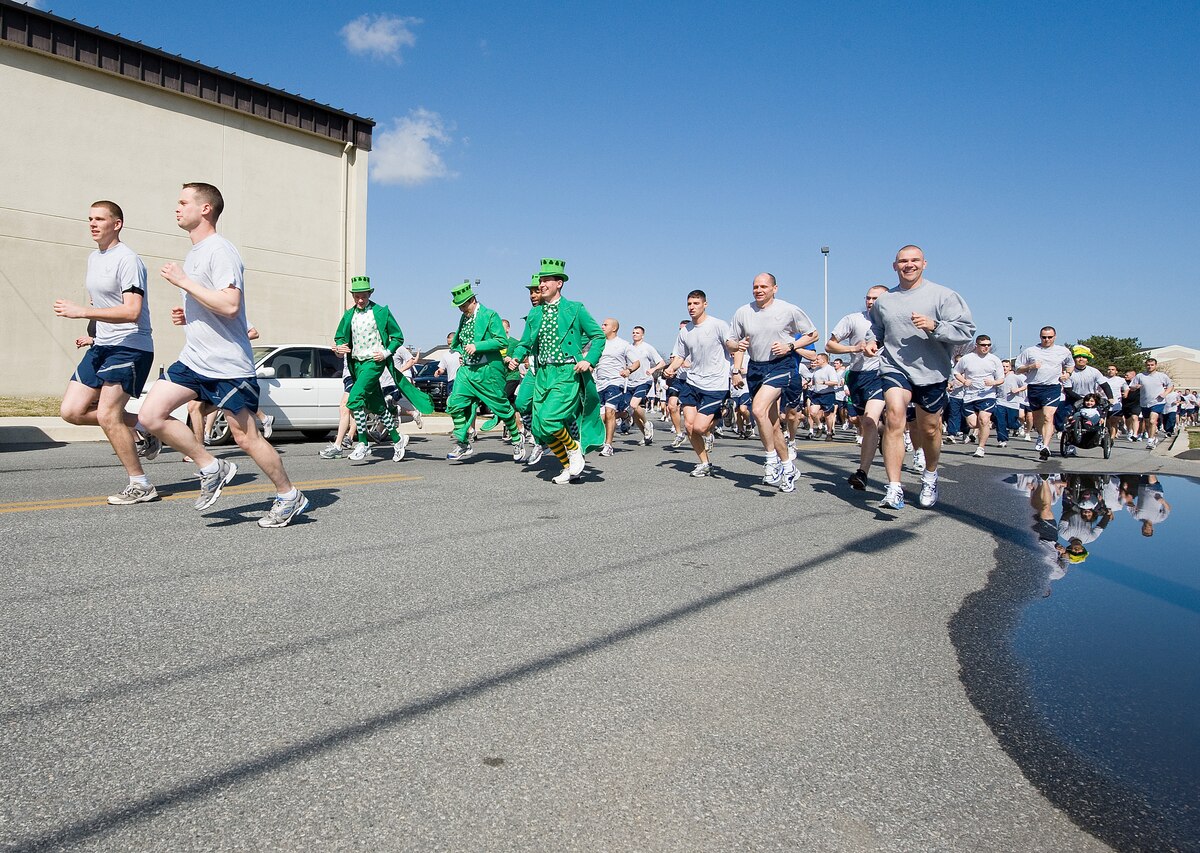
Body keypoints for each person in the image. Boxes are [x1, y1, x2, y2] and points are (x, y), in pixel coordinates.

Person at [138, 182, 307, 527]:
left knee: (246, 438)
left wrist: (184, 282)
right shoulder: (195, 253)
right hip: (194, 360)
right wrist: (190, 314)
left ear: (205, 209)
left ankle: (289, 495)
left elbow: (230, 305)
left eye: (183, 202)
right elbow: (213, 304)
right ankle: (211, 466)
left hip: (227, 365)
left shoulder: (220, 250)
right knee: (151, 416)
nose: (176, 208)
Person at [54, 200, 158, 504]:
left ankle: (140, 484)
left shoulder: (128, 260)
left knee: (107, 414)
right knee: (72, 411)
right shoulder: (94, 258)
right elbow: (101, 306)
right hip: (103, 344)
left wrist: (80, 311)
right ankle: (145, 426)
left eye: (100, 219)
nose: (93, 224)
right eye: (90, 219)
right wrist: (92, 335)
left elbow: (132, 311)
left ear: (117, 224)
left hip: (130, 344)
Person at [865, 245, 976, 509]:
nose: (909, 265)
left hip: (932, 371)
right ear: (895, 266)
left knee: (929, 429)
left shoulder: (944, 296)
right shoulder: (884, 301)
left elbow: (966, 331)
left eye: (914, 260)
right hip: (894, 366)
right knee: (894, 417)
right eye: (903, 261)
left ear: (924, 264)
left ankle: (930, 475)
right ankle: (894, 488)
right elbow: (877, 329)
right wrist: (872, 341)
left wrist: (935, 326)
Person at [507, 258, 606, 484]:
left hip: (566, 372)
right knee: (540, 427)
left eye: (546, 280)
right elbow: (525, 342)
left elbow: (598, 336)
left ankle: (574, 448)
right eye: (540, 281)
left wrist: (589, 360)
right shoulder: (535, 314)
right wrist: (516, 356)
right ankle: (568, 467)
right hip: (543, 373)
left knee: (550, 418)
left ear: (559, 283)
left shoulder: (575, 308)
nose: (541, 284)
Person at [726, 272, 819, 493]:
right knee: (772, 424)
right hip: (756, 368)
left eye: (763, 286)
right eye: (755, 287)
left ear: (774, 289)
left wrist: (791, 346)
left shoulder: (788, 309)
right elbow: (731, 342)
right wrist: (736, 354)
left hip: (781, 365)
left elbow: (813, 334)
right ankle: (788, 467)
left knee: (757, 409)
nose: (758, 290)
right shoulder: (743, 312)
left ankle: (770, 461)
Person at [332, 276, 431, 462]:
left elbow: (397, 337)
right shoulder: (349, 315)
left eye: (363, 296)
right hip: (357, 364)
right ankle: (397, 439)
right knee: (377, 406)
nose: (360, 300)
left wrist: (386, 353)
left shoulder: (381, 312)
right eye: (357, 297)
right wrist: (339, 348)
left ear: (370, 294)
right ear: (352, 296)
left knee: (354, 399)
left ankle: (363, 443)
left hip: (374, 363)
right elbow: (339, 338)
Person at [443, 280, 524, 460]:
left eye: (463, 305)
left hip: (487, 371)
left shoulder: (490, 315)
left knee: (502, 408)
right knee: (454, 404)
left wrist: (477, 346)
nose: (461, 309)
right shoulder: (464, 317)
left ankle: (517, 439)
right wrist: (464, 353)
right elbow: (461, 341)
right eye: (458, 306)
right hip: (467, 371)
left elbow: (501, 341)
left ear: (472, 300)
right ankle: (463, 443)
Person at [662, 290, 732, 477]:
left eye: (696, 303)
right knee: (690, 427)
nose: (692, 307)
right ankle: (705, 463)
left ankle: (722, 411)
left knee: (700, 427)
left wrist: (737, 366)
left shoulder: (718, 325)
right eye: (689, 304)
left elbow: (732, 347)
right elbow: (680, 356)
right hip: (692, 382)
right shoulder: (685, 331)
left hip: (715, 383)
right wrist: (671, 368)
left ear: (705, 304)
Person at [1015, 326, 1073, 461]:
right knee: (1037, 420)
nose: (1047, 339)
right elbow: (1017, 368)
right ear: (1040, 337)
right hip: (1034, 387)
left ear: (1055, 337)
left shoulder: (1063, 351)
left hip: (1052, 387)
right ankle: (1041, 435)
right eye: (1044, 337)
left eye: (1050, 337)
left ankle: (1046, 447)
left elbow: (1070, 365)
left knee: (1048, 416)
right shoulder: (1030, 351)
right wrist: (1030, 367)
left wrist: (1067, 374)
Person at [593, 319, 640, 457]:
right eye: (602, 324)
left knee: (610, 412)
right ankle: (625, 414)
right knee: (600, 418)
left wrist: (628, 370)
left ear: (614, 328)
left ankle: (608, 445)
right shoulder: (598, 343)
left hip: (615, 382)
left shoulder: (623, 344)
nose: (602, 326)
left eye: (605, 325)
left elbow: (636, 362)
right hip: (599, 383)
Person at [953, 334, 1005, 458]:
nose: (986, 347)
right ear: (976, 345)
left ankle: (981, 448)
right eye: (983, 345)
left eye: (988, 345)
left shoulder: (994, 360)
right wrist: (964, 381)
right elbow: (956, 372)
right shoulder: (967, 358)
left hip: (987, 394)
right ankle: (986, 426)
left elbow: (1001, 379)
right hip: (970, 395)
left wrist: (993, 382)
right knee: (973, 424)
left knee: (984, 419)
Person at [627, 325, 665, 445]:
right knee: (634, 411)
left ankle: (647, 423)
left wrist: (653, 369)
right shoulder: (628, 348)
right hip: (630, 382)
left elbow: (662, 362)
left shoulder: (647, 348)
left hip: (644, 381)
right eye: (633, 332)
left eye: (637, 333)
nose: (635, 334)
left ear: (642, 335)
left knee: (633, 405)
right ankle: (646, 435)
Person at [1128, 357, 1174, 449]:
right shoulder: (1140, 376)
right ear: (1146, 365)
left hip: (1158, 402)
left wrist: (1165, 393)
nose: (1150, 367)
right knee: (1147, 422)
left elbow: (1171, 386)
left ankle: (1150, 441)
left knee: (1153, 420)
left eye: (1152, 365)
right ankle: (1152, 437)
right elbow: (1131, 387)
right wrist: (1135, 387)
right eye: (1148, 365)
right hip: (1145, 402)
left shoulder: (1162, 376)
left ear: (1155, 365)